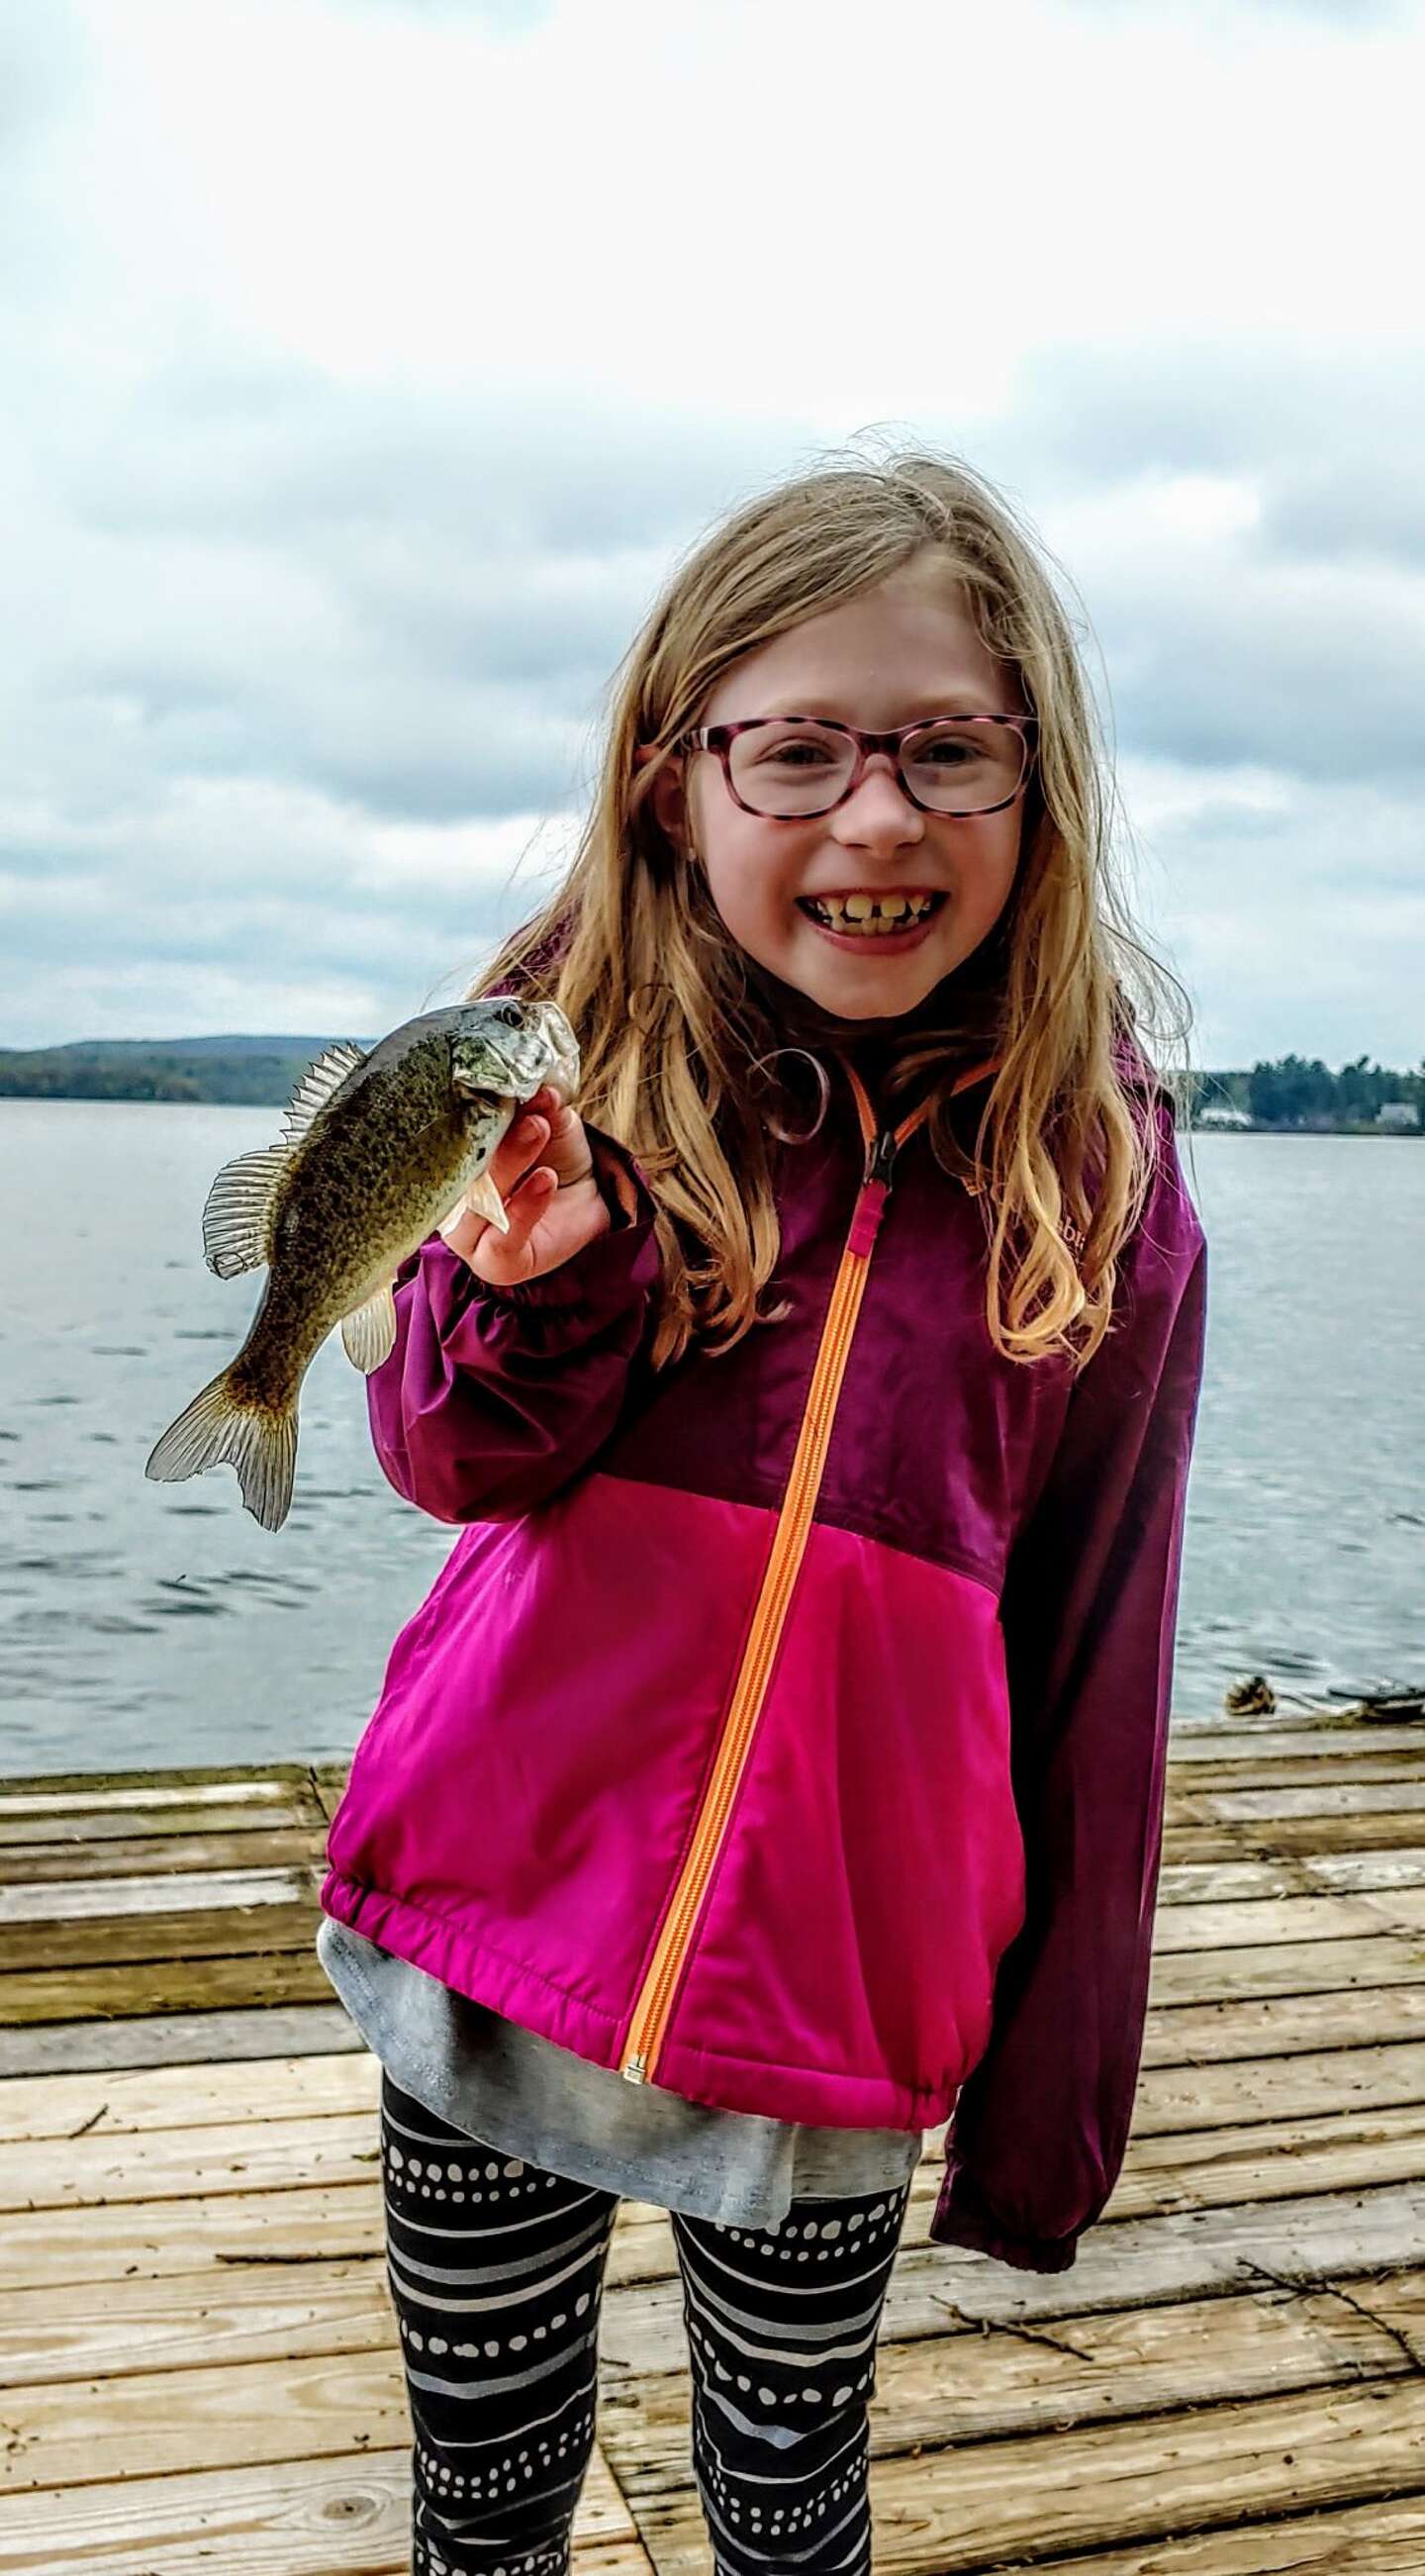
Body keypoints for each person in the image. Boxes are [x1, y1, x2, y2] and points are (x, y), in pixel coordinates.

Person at [318, 447, 1208, 2576]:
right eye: (795, 751)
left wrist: (1047, 2110)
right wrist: (538, 1301)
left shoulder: (1108, 1187)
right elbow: (445, 1456)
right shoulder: (555, 1072)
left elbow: (1102, 1653)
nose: (874, 816)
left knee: (795, 2523)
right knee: (487, 2510)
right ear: (672, 780)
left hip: (836, 2013)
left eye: (945, 753)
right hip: (488, 1942)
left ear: (1041, 789)